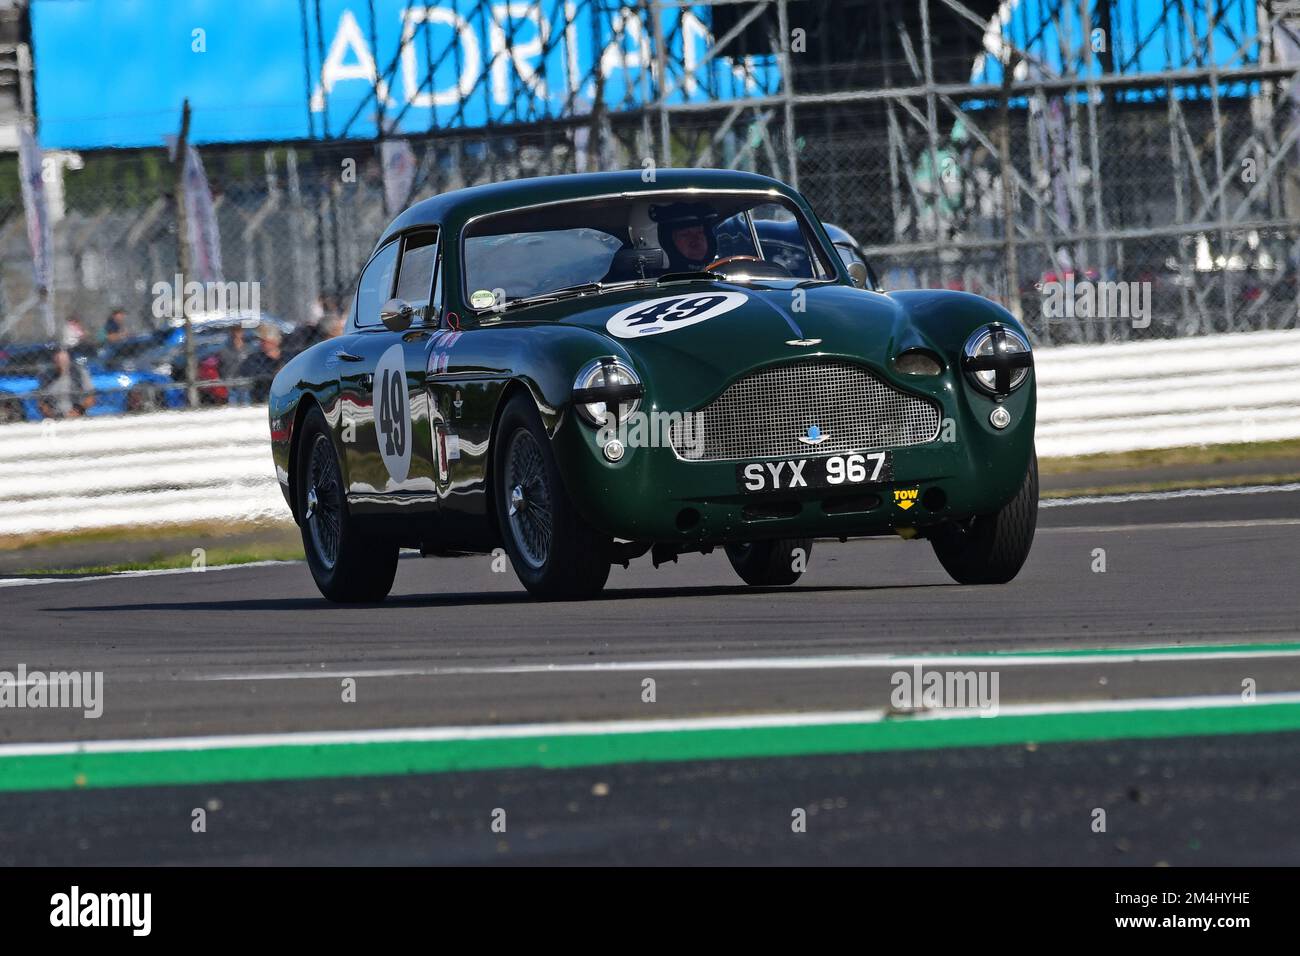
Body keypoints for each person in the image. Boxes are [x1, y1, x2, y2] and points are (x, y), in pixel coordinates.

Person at [38, 348, 95, 419]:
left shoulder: (80, 373)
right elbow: (42, 403)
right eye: (57, 359)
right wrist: (52, 415)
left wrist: (77, 411)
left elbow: (91, 398)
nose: (61, 362)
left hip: (78, 415)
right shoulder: (46, 376)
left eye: (64, 360)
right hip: (55, 417)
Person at [238, 326, 285, 403]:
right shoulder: (254, 358)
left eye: (264, 340)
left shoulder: (287, 356)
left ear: (274, 341)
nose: (261, 343)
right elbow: (246, 372)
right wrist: (273, 375)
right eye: (261, 340)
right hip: (262, 397)